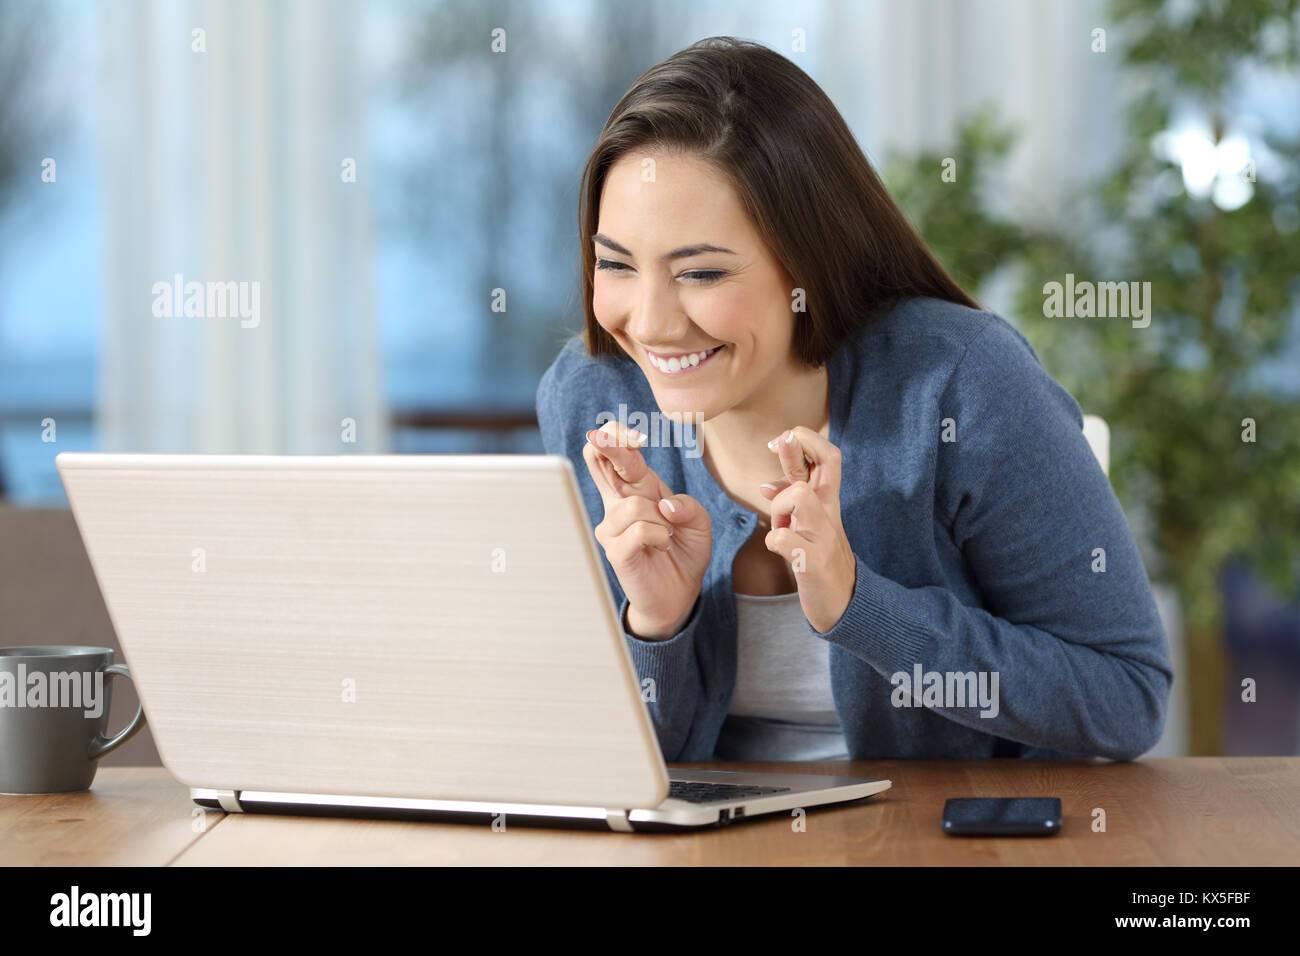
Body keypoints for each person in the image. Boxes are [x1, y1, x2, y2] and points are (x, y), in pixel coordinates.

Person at [535, 36, 1172, 762]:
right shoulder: (592, 397)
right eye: (614, 263)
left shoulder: (960, 382)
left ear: (807, 261)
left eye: (702, 274)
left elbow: (1125, 698)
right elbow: (622, 769)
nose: (648, 323)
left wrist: (858, 604)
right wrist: (655, 624)